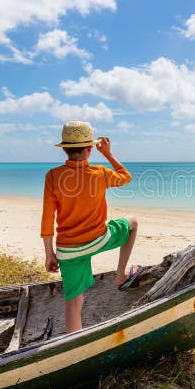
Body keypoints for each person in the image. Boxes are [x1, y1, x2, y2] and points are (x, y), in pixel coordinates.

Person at [41, 121, 141, 333]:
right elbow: (126, 177)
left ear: (65, 150)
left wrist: (50, 254)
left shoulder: (52, 176)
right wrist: (108, 154)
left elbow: (47, 219)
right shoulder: (100, 173)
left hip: (68, 251)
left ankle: (74, 344)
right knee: (132, 222)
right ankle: (120, 275)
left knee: (73, 303)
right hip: (99, 240)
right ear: (89, 149)